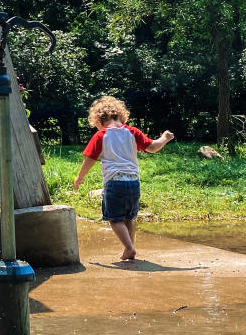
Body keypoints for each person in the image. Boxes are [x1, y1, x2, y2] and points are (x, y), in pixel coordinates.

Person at [72, 94, 174, 261]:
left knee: (115, 219)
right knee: (129, 218)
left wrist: (79, 177)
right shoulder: (132, 132)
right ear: (121, 115)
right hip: (133, 183)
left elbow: (90, 159)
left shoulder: (101, 135)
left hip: (114, 183)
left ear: (98, 119)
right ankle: (129, 248)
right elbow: (153, 147)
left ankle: (129, 248)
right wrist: (164, 138)